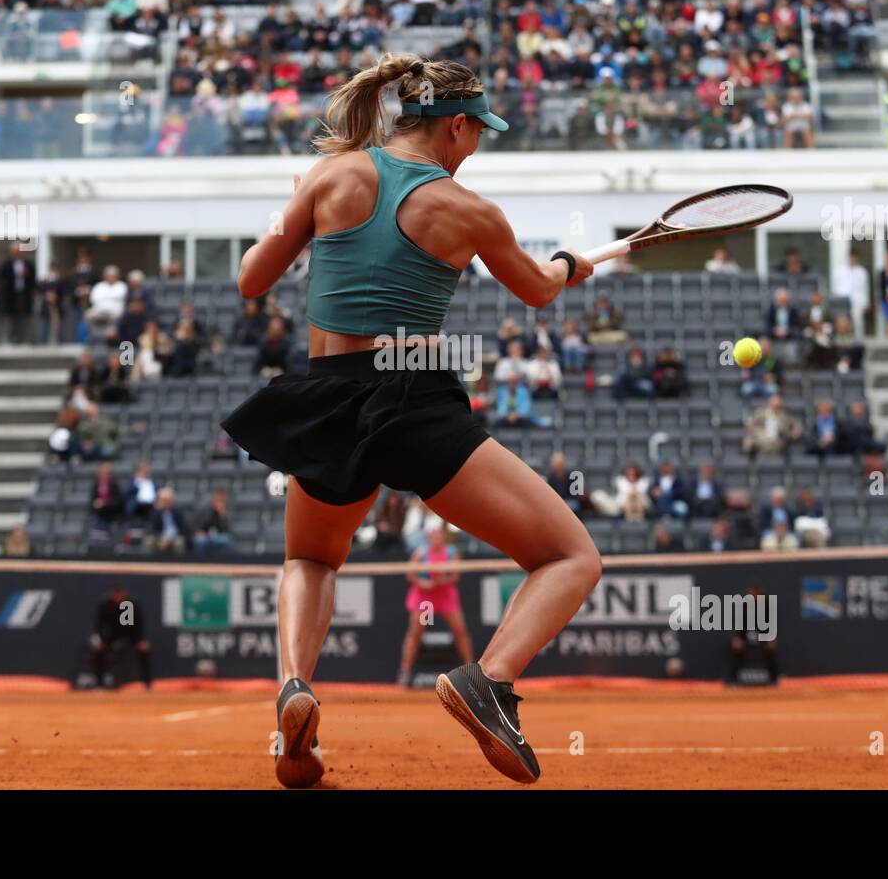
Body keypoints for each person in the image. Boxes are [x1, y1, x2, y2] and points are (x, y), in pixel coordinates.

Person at [222, 53, 600, 788]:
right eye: (478, 133)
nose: (476, 146)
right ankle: (488, 680)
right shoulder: (470, 212)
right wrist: (566, 264)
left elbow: (250, 280)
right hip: (412, 399)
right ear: (455, 127)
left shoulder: (328, 177)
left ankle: (295, 690)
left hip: (327, 395)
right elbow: (539, 291)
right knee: (569, 557)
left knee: (310, 559)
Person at [397, 526, 474, 687]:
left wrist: (442, 582)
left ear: (443, 538)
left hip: (445, 596)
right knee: (415, 634)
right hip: (425, 599)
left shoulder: (452, 553)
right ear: (428, 538)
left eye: (438, 536)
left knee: (460, 631)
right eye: (432, 536)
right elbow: (410, 574)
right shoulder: (421, 553)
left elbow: (455, 577)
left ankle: (471, 672)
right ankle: (405, 672)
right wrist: (422, 583)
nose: (435, 539)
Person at [89, 586, 152, 690]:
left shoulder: (131, 605)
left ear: (124, 594)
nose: (118, 596)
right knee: (98, 652)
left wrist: (141, 640)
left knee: (144, 651)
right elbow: (99, 625)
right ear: (112, 594)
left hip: (131, 635)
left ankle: (147, 684)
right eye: (116, 594)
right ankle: (99, 684)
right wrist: (100, 640)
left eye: (120, 593)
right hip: (111, 636)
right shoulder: (105, 606)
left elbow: (138, 625)